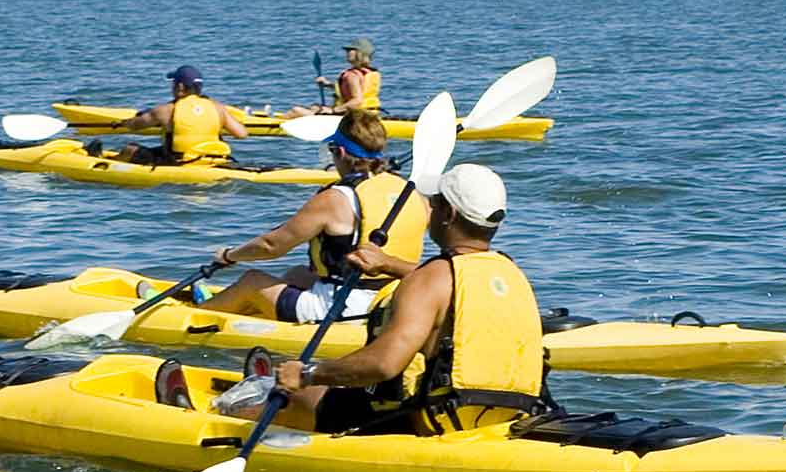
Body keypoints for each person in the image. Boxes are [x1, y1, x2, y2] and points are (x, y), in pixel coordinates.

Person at [258, 164, 551, 437]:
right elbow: (451, 283)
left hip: (431, 421)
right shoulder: (510, 273)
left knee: (293, 398)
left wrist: (309, 373)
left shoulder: (431, 279)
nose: (429, 213)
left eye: (433, 205)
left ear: (448, 213)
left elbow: (383, 365)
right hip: (507, 415)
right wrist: (388, 265)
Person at [203, 109, 427, 325]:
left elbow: (271, 246)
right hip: (391, 300)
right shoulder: (410, 192)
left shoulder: (335, 199)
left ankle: (197, 315)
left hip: (344, 308)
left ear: (339, 152)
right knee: (298, 274)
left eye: (331, 149)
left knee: (251, 281)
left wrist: (229, 256)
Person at [113, 65, 248, 165]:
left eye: (174, 83)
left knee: (129, 149)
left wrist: (122, 123)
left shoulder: (165, 111)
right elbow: (241, 133)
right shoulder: (217, 107)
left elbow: (134, 126)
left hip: (181, 162)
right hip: (215, 158)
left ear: (181, 87)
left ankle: (106, 164)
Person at [286, 38, 383, 117]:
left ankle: (276, 123)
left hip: (354, 117)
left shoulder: (352, 75)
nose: (347, 53)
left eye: (350, 50)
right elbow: (356, 89)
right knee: (315, 107)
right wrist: (328, 84)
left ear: (360, 53)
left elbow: (357, 101)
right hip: (370, 113)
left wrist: (333, 110)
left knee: (296, 110)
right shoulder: (370, 72)